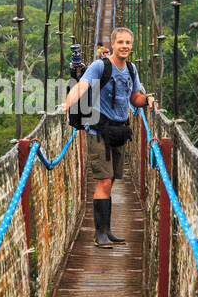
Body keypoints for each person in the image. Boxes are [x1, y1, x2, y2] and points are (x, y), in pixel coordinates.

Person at [62, 26, 156, 247]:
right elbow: (81, 86)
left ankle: (107, 230)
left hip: (120, 130)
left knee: (111, 180)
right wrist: (66, 105)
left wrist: (148, 100)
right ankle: (99, 234)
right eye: (120, 42)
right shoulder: (99, 66)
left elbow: (135, 98)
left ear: (131, 46)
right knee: (104, 180)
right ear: (112, 44)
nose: (124, 46)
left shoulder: (132, 69)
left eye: (128, 43)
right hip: (99, 131)